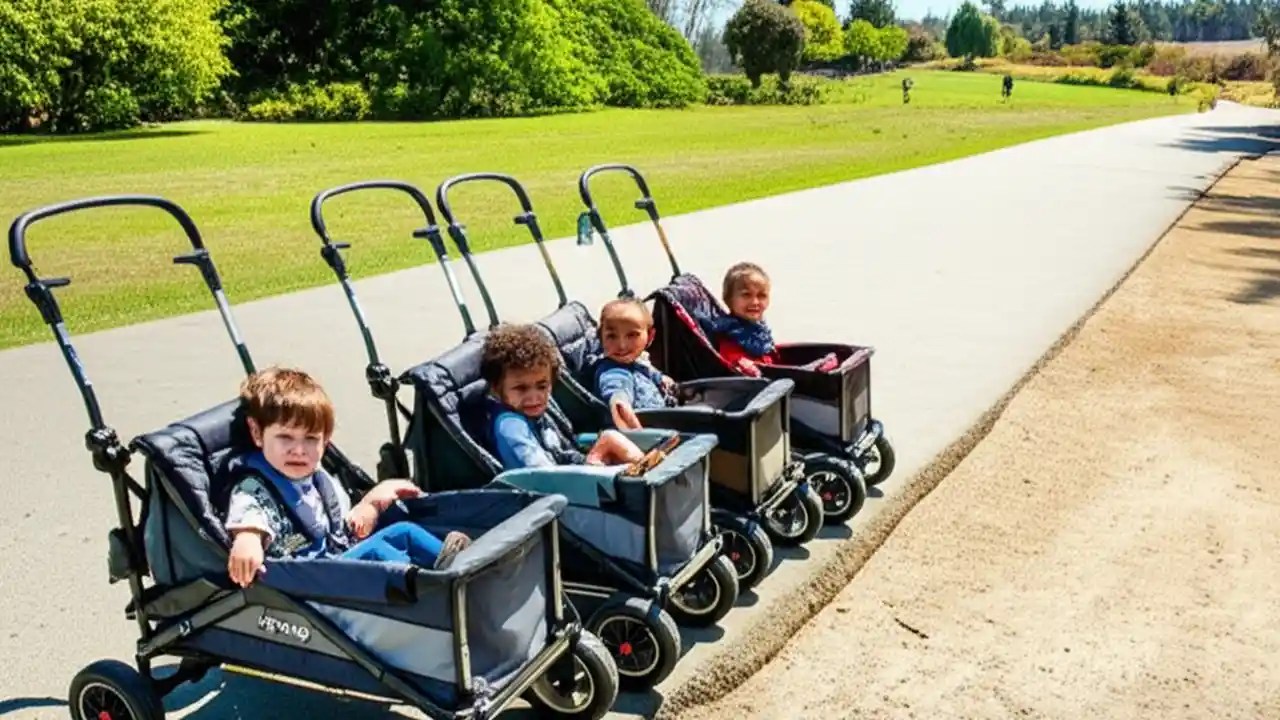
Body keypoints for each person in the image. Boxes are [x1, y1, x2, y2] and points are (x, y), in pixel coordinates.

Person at [223, 367, 471, 588]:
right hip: (310, 577)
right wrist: (248, 540)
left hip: (337, 555)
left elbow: (339, 523)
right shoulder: (253, 488)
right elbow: (249, 517)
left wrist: (371, 502)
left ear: (325, 441)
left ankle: (461, 565)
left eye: (310, 439)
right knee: (377, 551)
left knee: (403, 531)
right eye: (285, 438)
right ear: (257, 433)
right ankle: (433, 587)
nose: (298, 450)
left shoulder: (316, 476)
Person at [481, 322, 644, 468]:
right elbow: (542, 473)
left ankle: (647, 471)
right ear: (496, 389)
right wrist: (592, 466)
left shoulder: (533, 415)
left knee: (610, 438)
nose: (534, 397)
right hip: (556, 491)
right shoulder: (511, 425)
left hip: (567, 475)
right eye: (521, 389)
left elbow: (562, 450)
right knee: (610, 439)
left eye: (542, 386)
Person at [712, 261, 839, 377]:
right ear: (728, 299)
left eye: (761, 296)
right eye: (746, 295)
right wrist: (745, 366)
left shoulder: (759, 332)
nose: (755, 302)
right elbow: (736, 364)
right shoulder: (730, 336)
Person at [592, 297, 680, 431]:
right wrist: (621, 405)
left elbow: (647, 371)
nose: (621, 345)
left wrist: (661, 378)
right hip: (638, 433)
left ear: (650, 337)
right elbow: (617, 393)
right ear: (601, 338)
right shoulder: (612, 370)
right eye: (612, 336)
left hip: (662, 422)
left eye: (632, 335)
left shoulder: (637, 363)